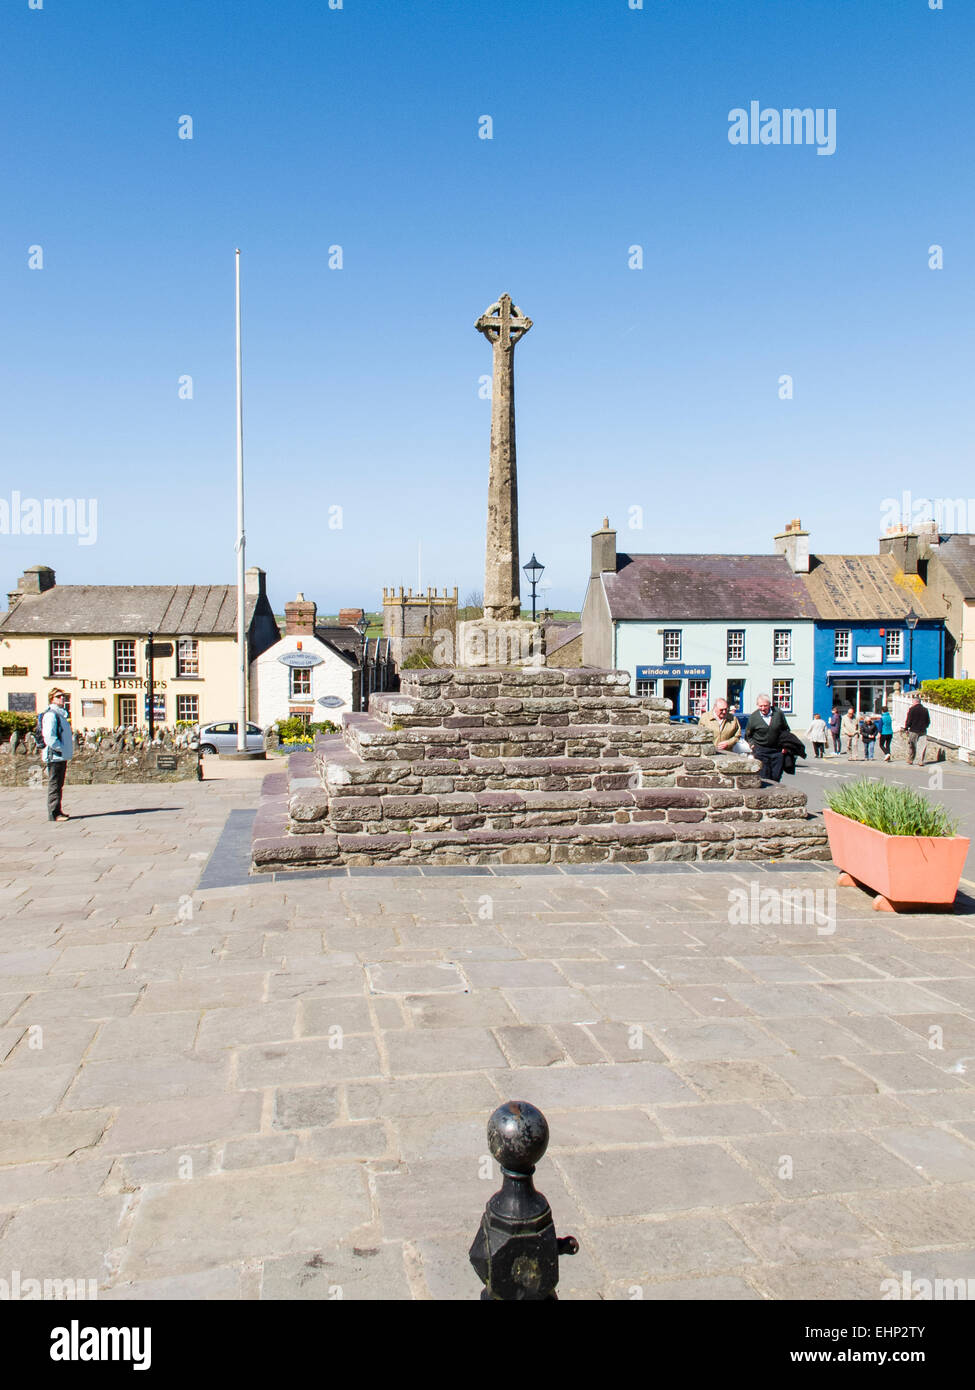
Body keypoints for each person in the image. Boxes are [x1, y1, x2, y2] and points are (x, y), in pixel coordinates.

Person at [41, 688, 74, 822]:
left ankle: (58, 810)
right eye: (58, 696)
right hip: (54, 756)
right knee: (54, 784)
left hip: (60, 755)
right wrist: (60, 749)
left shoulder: (60, 714)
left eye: (63, 696)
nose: (62, 698)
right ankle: (53, 813)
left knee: (59, 784)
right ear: (52, 699)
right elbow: (49, 737)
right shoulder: (51, 715)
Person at [744, 693, 790, 783]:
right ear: (757, 705)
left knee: (776, 776)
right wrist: (752, 745)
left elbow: (786, 730)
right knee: (765, 776)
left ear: (770, 705)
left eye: (765, 706)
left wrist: (786, 745)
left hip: (777, 750)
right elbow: (748, 735)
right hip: (761, 750)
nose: (763, 708)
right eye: (760, 706)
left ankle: (776, 795)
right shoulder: (753, 717)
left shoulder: (778, 713)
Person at [903, 695, 931, 766]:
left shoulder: (912, 709)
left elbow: (909, 719)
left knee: (912, 745)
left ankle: (911, 759)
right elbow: (928, 721)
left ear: (915, 702)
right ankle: (921, 760)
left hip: (913, 730)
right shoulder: (925, 710)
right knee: (922, 746)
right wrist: (925, 726)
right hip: (922, 730)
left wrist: (906, 728)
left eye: (913, 702)